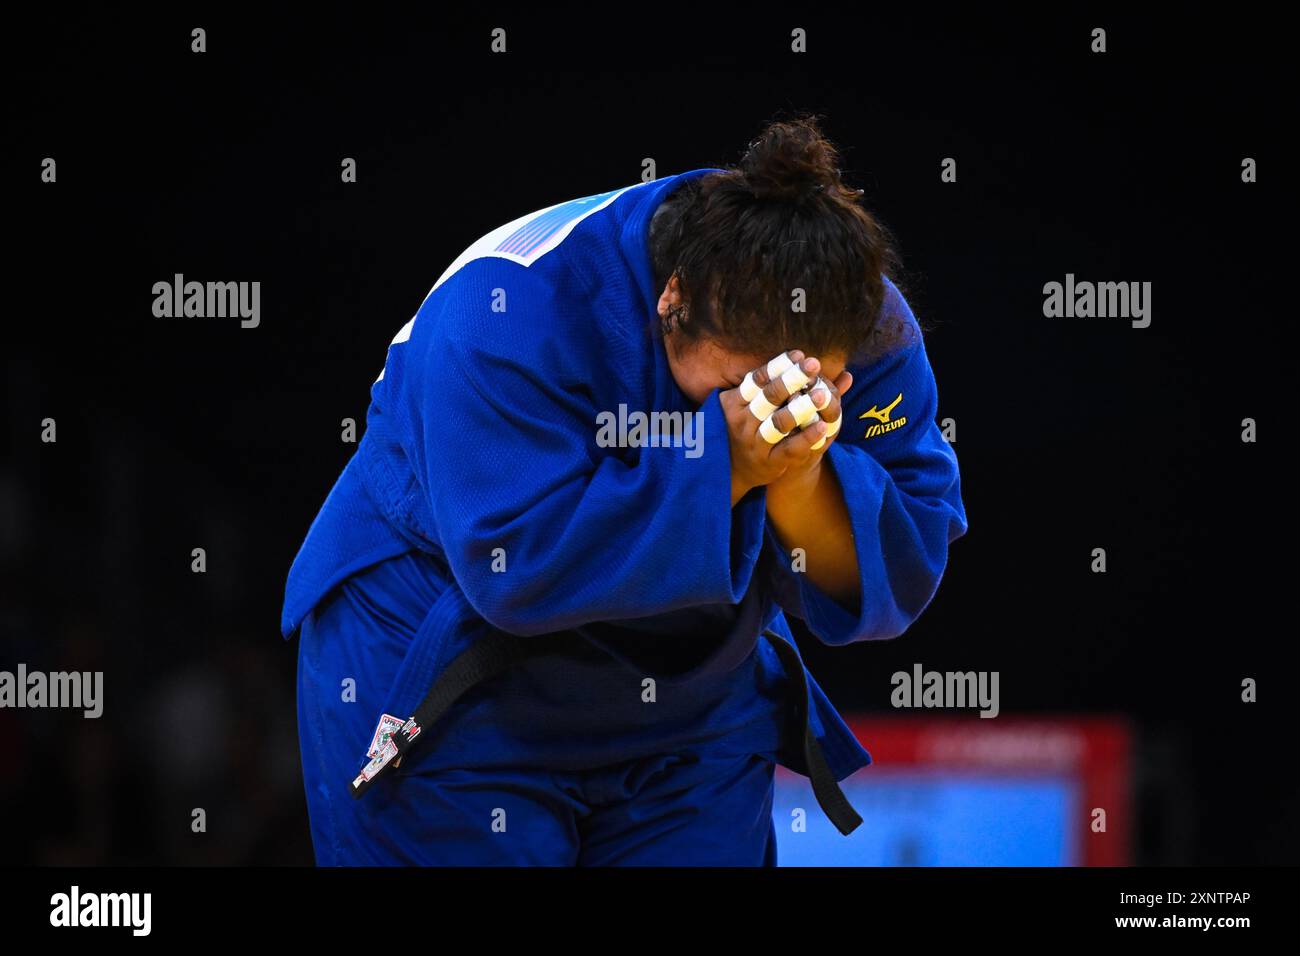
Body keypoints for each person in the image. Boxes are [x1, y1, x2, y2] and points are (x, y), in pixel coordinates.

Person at [282, 114, 968, 865]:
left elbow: (897, 571)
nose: (770, 406)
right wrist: (729, 467)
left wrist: (801, 473)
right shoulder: (509, 305)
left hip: (692, 696)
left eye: (806, 385)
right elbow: (514, 565)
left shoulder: (866, 323)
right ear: (672, 302)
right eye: (739, 384)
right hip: (447, 653)